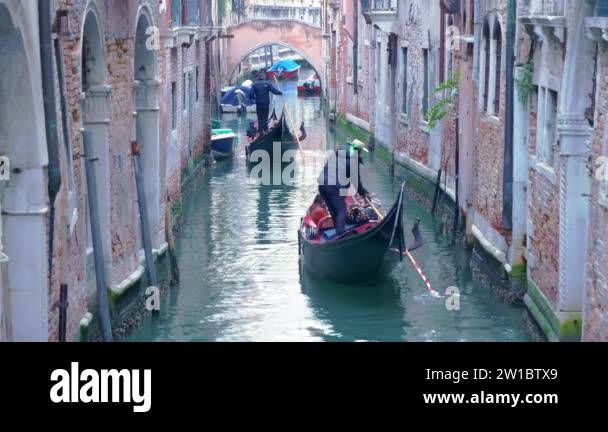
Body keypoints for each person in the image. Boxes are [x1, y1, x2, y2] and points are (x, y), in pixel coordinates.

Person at [317, 140, 370, 236]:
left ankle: (338, 234)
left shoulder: (337, 155)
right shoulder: (353, 161)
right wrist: (364, 193)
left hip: (322, 185)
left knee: (334, 211)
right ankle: (341, 234)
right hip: (333, 187)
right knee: (342, 211)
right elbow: (356, 182)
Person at [250, 70, 283, 134]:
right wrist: (281, 93)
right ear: (264, 76)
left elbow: (250, 95)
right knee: (265, 116)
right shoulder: (267, 83)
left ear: (257, 77)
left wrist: (256, 98)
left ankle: (260, 131)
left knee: (260, 117)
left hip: (258, 103)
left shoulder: (254, 84)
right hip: (266, 103)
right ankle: (266, 129)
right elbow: (275, 91)